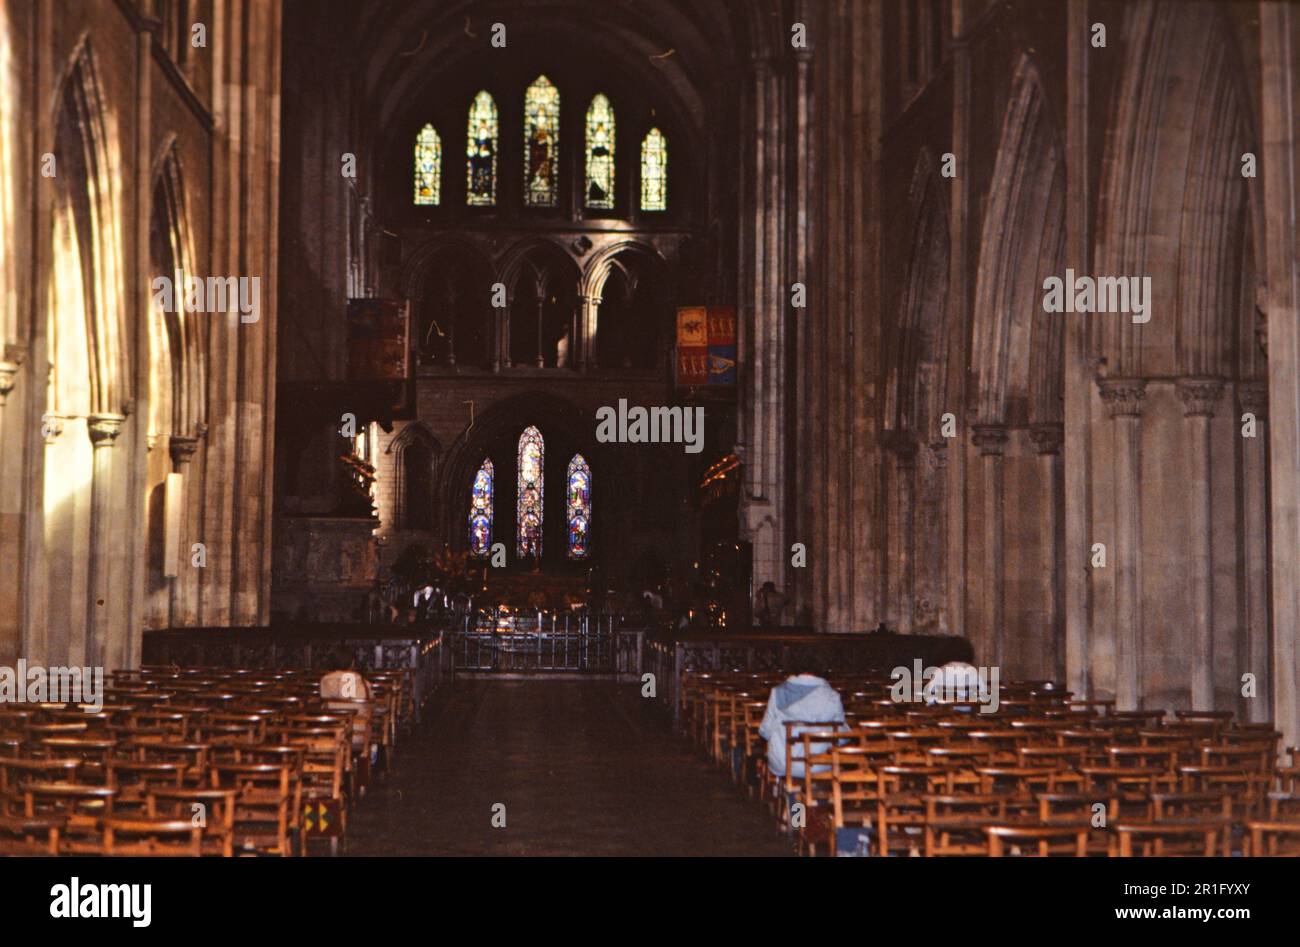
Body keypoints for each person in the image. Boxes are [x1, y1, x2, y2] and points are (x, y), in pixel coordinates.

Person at [758, 667, 846, 780]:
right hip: (821, 763)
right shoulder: (833, 696)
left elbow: (765, 731)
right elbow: (841, 735)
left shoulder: (777, 692)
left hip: (784, 762)